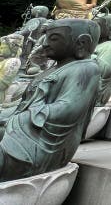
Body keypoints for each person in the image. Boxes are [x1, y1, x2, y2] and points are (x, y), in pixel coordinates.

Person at [0, 19, 100, 181]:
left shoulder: (86, 68)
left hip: (44, 142)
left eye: (53, 39)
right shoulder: (54, 69)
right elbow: (26, 104)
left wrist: (19, 117)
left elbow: (69, 109)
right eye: (45, 37)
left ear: (82, 43)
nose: (44, 43)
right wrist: (6, 114)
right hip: (27, 129)